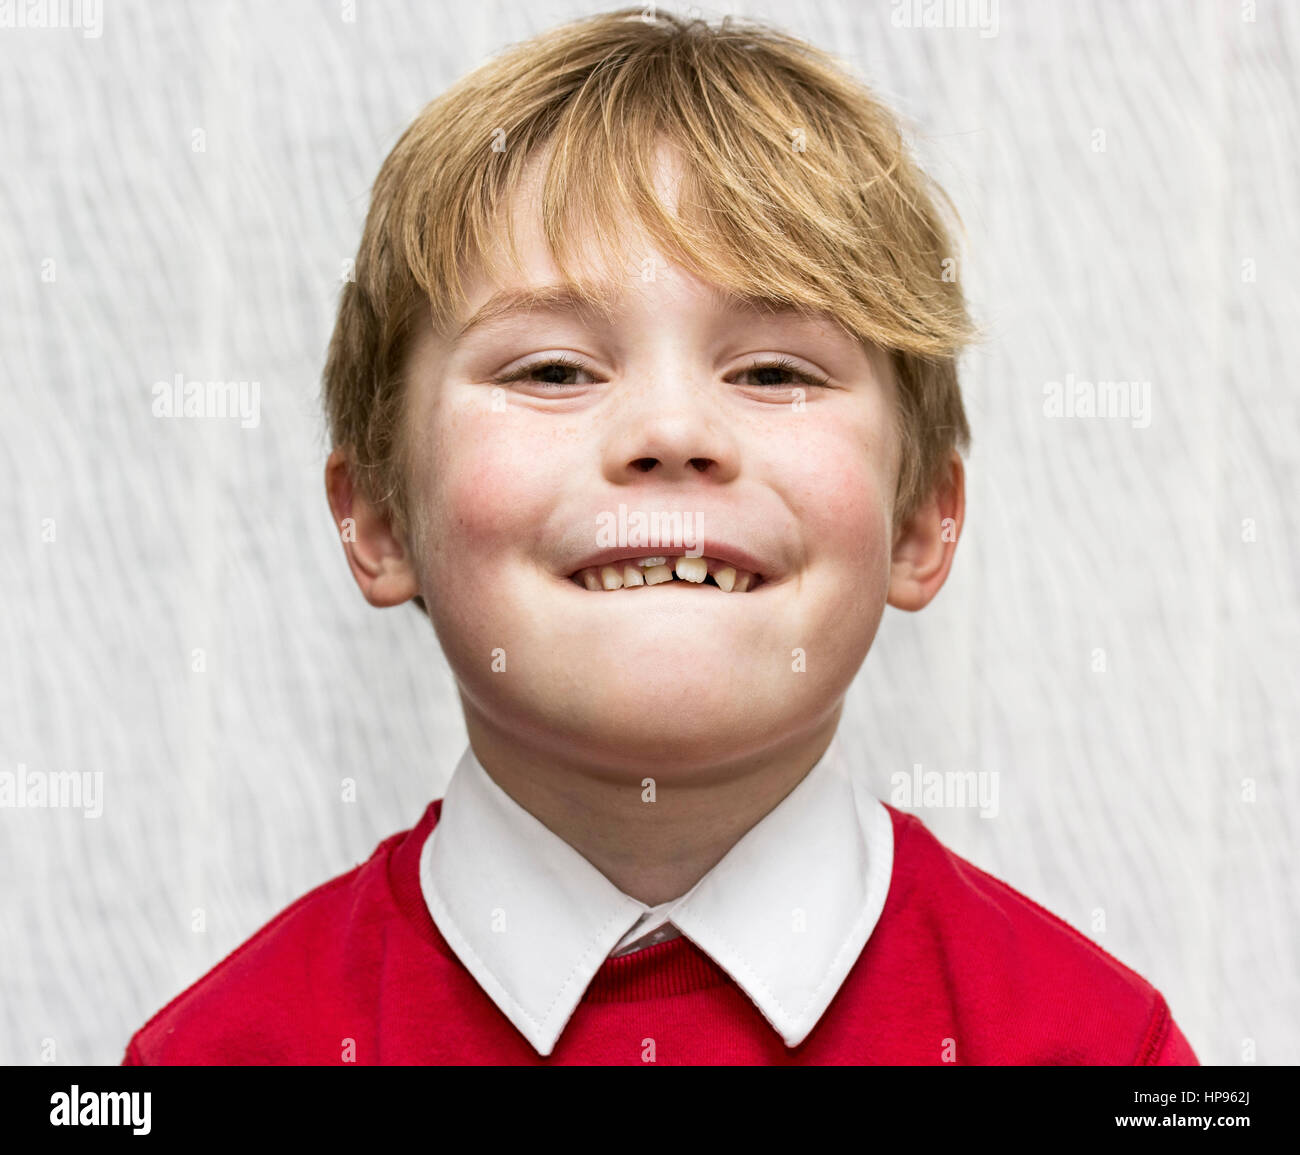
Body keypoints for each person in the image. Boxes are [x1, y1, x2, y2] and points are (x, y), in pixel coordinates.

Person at [122, 6, 1196, 1065]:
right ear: (377, 518)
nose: (672, 432)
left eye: (774, 372)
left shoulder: (1103, 1053)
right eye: (551, 370)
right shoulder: (216, 1058)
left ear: (920, 521)